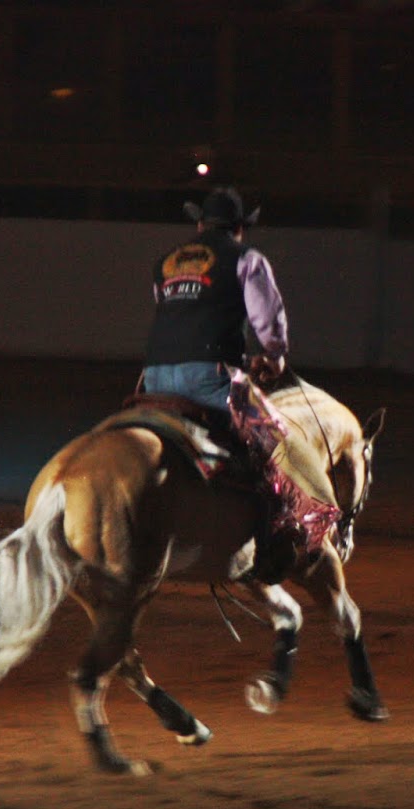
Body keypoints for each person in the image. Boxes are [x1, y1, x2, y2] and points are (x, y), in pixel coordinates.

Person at [141, 186, 341, 578]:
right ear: (239, 230)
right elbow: (267, 322)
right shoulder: (246, 259)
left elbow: (179, 316)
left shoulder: (165, 262)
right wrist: (274, 354)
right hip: (209, 378)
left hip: (154, 379)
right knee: (274, 439)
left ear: (199, 225)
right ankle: (272, 542)